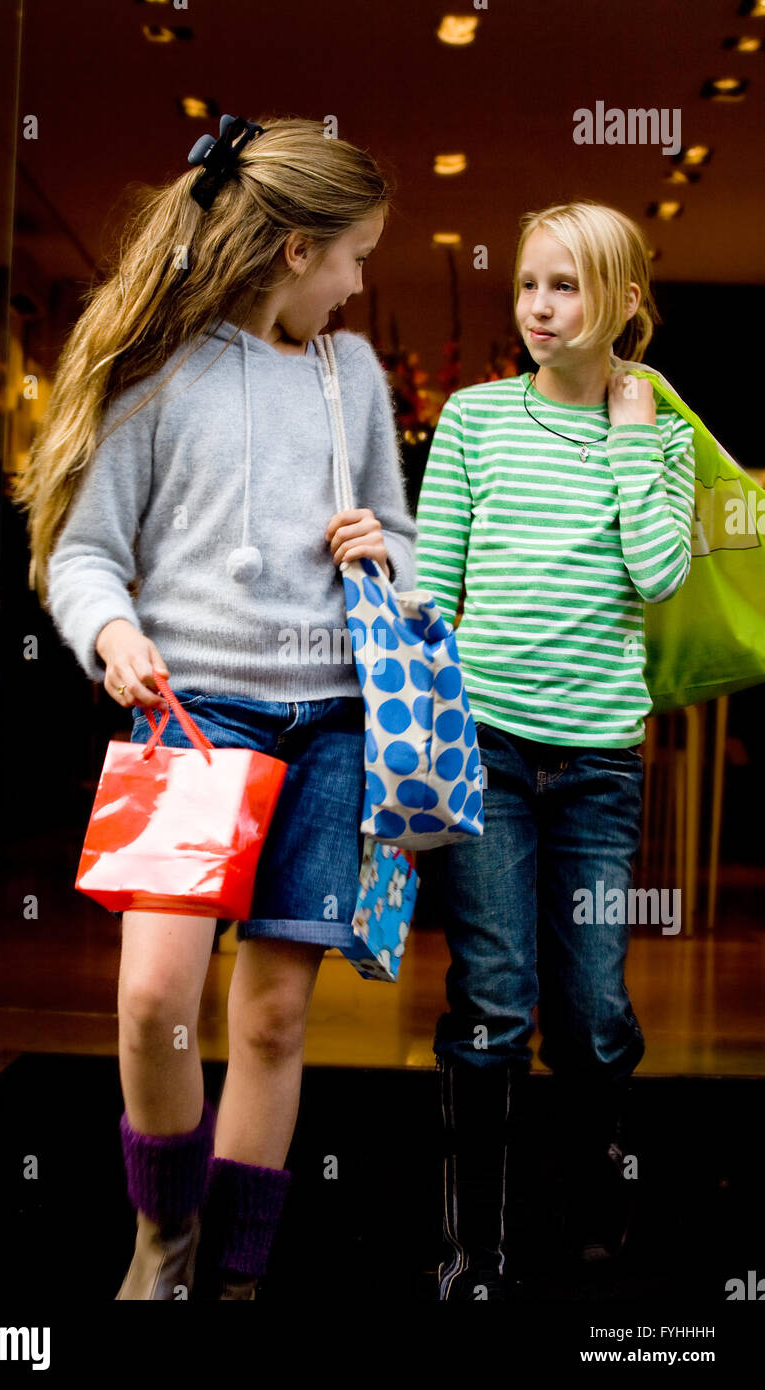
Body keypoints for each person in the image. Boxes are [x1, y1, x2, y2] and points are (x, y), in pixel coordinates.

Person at [14, 114, 417, 1300]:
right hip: (191, 725)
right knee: (151, 1000)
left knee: (275, 1021)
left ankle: (233, 1277)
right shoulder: (154, 374)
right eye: (352, 257)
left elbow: (400, 540)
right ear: (294, 250)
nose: (358, 283)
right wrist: (112, 631)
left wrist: (378, 552)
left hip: (334, 722)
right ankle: (164, 1235)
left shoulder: (356, 379)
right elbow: (82, 554)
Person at [414, 200, 696, 1300]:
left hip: (595, 768)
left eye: (566, 286)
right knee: (488, 997)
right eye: (528, 283)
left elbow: (661, 574)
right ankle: (471, 1253)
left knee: (587, 1013)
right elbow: (433, 590)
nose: (538, 306)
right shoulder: (472, 418)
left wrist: (629, 436)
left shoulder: (660, 431)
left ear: (623, 301)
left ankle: (589, 1221)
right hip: (482, 747)